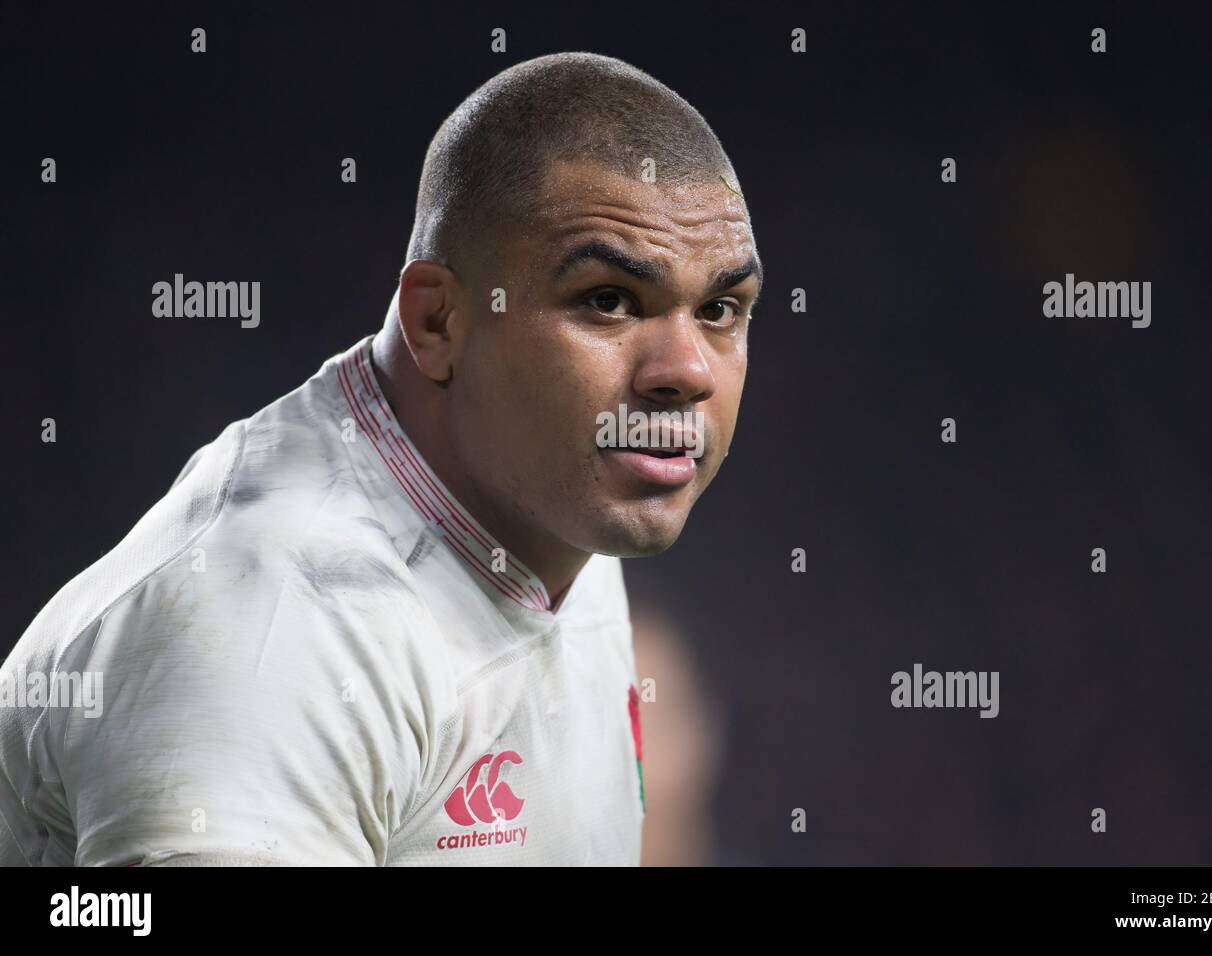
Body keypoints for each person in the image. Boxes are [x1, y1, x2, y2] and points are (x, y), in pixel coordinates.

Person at [0, 51, 761, 865]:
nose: (686, 371)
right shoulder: (266, 632)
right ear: (438, 322)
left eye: (720, 308)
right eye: (608, 301)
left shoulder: (553, 501)